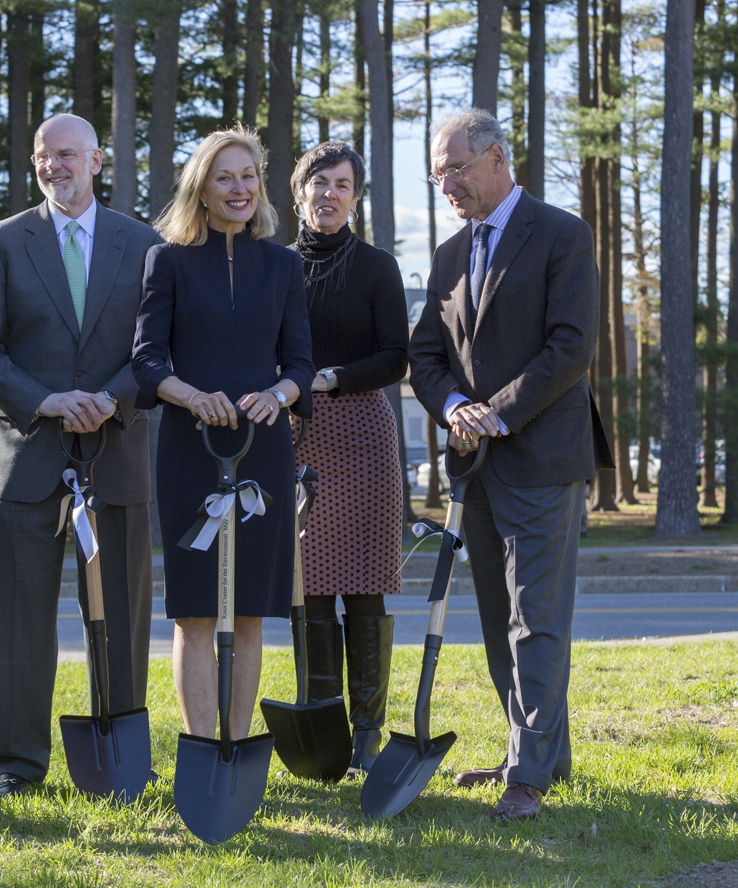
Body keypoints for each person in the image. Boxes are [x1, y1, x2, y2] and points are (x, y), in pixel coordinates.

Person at [409, 109, 613, 820]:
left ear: (498, 158)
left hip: (542, 456)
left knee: (537, 619)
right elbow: (425, 356)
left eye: (456, 169)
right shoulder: (447, 256)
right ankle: (539, 756)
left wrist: (491, 413)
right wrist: (454, 409)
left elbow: (571, 346)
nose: (447, 185)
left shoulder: (562, 234)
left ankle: (527, 775)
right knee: (500, 619)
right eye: (437, 175)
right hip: (477, 466)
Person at [0, 114, 160, 799]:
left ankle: (121, 756)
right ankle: (17, 762)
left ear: (97, 160)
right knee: (19, 616)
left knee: (122, 611)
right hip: (26, 451)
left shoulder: (142, 243)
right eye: (43, 156)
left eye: (67, 154)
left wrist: (111, 397)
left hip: (115, 446)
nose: (53, 166)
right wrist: (44, 400)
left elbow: (157, 345)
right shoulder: (3, 240)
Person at [132, 125, 314, 744]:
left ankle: (238, 745)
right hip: (192, 449)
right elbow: (146, 360)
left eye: (248, 175)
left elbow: (301, 364)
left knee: (251, 610)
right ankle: (202, 748)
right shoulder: (167, 260)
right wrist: (192, 397)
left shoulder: (283, 264)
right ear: (201, 189)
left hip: (263, 447)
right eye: (224, 177)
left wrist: (277, 396)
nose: (240, 188)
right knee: (196, 612)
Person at [286, 142, 409, 775]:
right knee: (307, 592)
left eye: (342, 185)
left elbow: (396, 357)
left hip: (362, 435)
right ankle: (321, 725)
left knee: (363, 591)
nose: (330, 193)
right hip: (292, 437)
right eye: (320, 182)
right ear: (298, 191)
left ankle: (367, 735)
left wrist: (331, 378)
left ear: (355, 198)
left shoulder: (377, 267)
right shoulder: (275, 266)